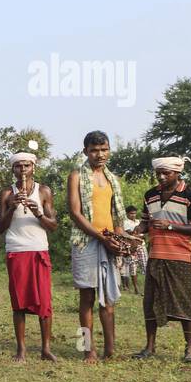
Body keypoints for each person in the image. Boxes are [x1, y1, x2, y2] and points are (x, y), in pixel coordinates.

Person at [133, 157, 191, 361]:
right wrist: (139, 230)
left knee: (185, 302)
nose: (162, 177)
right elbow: (146, 223)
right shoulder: (150, 195)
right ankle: (149, 346)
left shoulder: (189, 195)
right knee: (150, 302)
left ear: (178, 173)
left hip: (180, 257)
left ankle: (189, 349)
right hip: (156, 256)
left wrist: (172, 226)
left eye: (167, 173)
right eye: (159, 173)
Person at [66, 130, 125, 362]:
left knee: (108, 299)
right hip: (85, 243)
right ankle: (87, 349)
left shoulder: (113, 179)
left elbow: (117, 217)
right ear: (85, 152)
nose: (99, 154)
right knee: (87, 298)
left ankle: (110, 350)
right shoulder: (76, 176)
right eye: (94, 150)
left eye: (104, 149)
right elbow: (75, 213)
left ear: (109, 150)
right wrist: (102, 237)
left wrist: (121, 241)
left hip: (108, 243)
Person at [0, 150, 58, 361]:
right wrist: (12, 208)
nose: (22, 170)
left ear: (33, 167)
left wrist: (38, 213)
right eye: (18, 166)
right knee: (19, 301)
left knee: (44, 301)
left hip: (38, 249)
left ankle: (46, 348)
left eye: (26, 166)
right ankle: (21, 349)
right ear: (13, 169)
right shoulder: (7, 193)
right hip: (16, 250)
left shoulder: (44, 191)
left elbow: (53, 226)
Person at [120, 205, 146, 294]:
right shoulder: (125, 222)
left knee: (145, 265)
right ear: (127, 214)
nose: (133, 215)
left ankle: (146, 288)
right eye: (131, 213)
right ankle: (136, 288)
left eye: (134, 213)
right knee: (133, 266)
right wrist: (136, 236)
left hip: (141, 246)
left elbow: (142, 234)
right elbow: (127, 234)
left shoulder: (138, 222)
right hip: (131, 248)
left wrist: (137, 236)